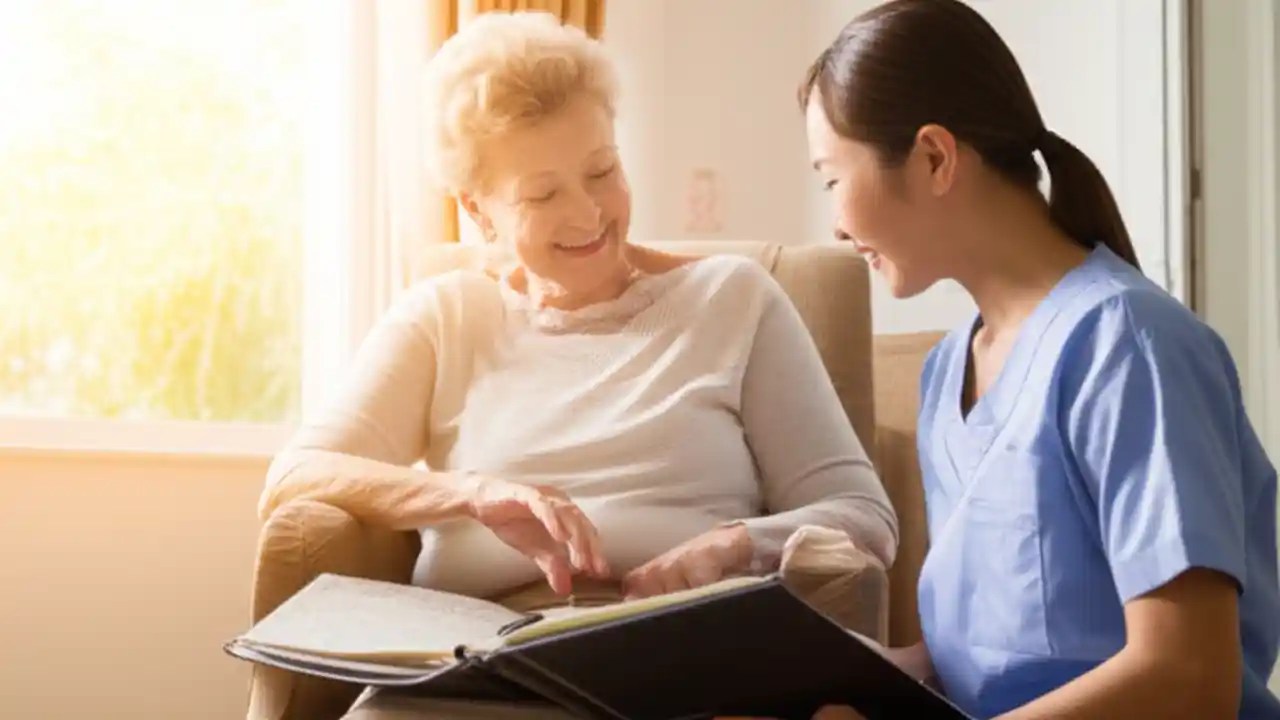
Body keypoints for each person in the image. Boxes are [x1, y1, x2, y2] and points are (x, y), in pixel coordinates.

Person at [256, 10, 899, 719]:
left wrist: (732, 546)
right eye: (543, 193)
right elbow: (295, 476)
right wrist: (472, 495)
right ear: (480, 212)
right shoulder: (445, 317)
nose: (589, 212)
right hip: (478, 669)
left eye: (603, 171)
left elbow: (865, 518)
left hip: (682, 666)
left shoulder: (732, 300)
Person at [724, 1, 1280, 719]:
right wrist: (881, 676)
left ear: (933, 158)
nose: (834, 220)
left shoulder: (1127, 344)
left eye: (832, 178)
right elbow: (1002, 653)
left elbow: (1188, 675)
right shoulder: (945, 372)